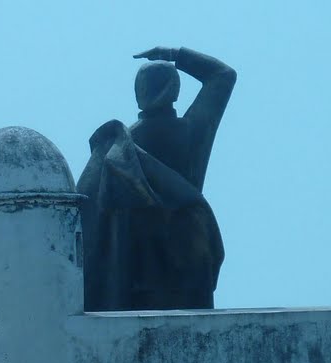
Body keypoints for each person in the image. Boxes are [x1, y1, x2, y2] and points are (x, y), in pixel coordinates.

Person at [79, 47, 236, 312]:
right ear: (175, 90)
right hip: (188, 264)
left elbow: (87, 214)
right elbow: (223, 75)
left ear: (138, 95)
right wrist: (175, 54)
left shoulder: (117, 147)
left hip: (136, 275)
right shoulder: (193, 132)